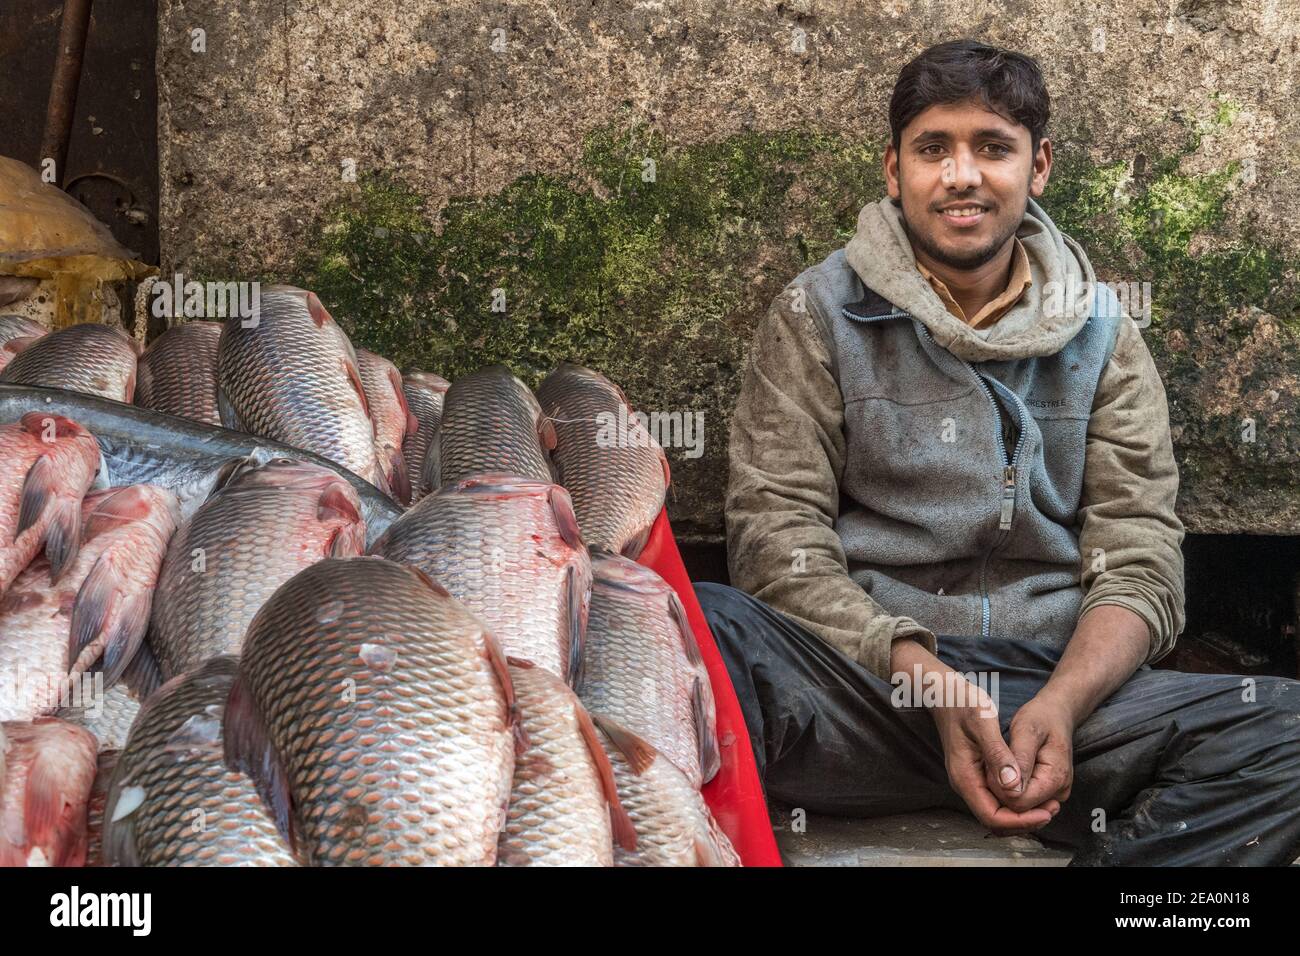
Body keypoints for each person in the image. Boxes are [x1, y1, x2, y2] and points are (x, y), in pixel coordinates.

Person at [696, 38, 1300, 865]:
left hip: (1056, 696)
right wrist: (926, 680)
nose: (961, 176)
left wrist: (1062, 702)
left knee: (1287, 730)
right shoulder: (815, 315)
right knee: (697, 626)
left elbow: (1140, 557)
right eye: (933, 149)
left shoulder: (1104, 332)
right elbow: (776, 543)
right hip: (871, 687)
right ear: (893, 169)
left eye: (992, 148)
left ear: (1038, 165)